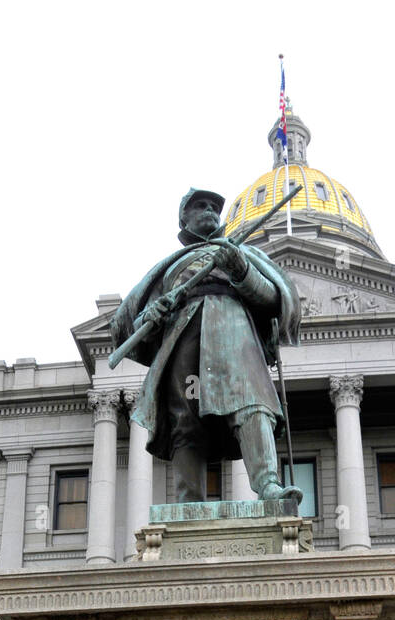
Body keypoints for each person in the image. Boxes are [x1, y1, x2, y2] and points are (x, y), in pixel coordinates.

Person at [110, 188, 302, 504]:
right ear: (184, 218)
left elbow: (273, 299)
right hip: (183, 335)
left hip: (234, 329)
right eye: (201, 205)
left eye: (215, 206)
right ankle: (189, 502)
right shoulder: (171, 266)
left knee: (252, 403)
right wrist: (152, 313)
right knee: (185, 417)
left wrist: (241, 272)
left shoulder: (243, 253)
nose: (210, 210)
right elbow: (136, 322)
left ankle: (268, 485)